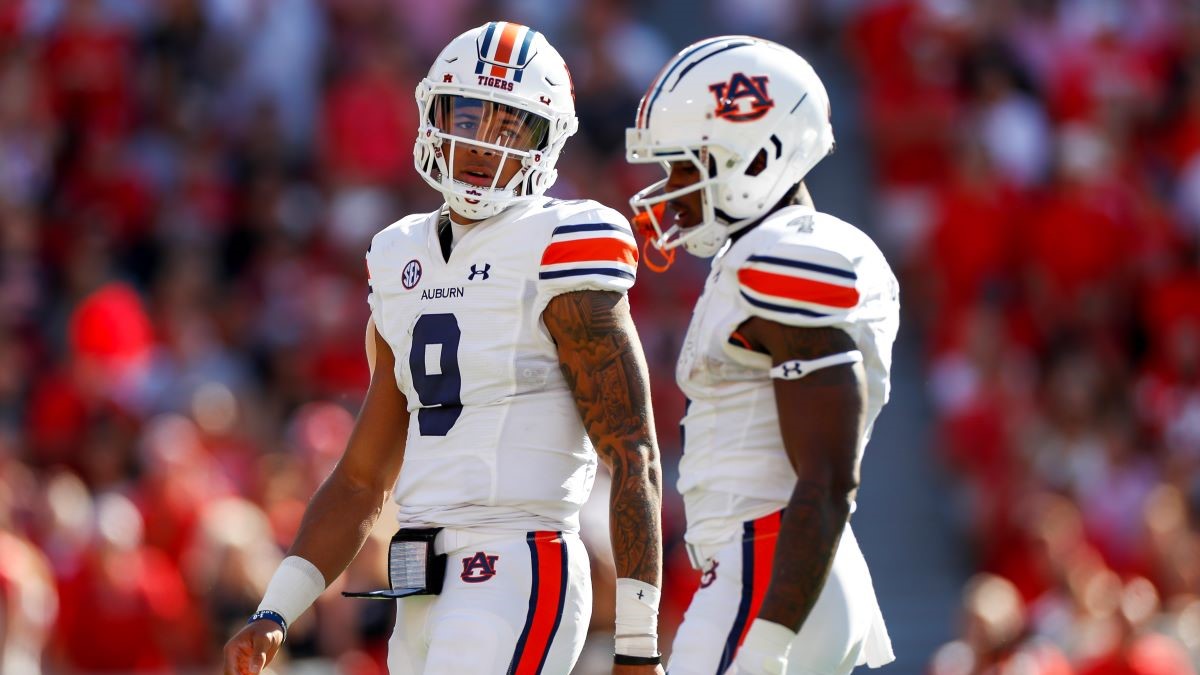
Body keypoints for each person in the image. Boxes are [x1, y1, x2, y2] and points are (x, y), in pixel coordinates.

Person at [224, 21, 665, 675]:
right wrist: (276, 610)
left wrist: (637, 644)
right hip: (419, 575)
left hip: (519, 558)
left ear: (547, 141)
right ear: (433, 115)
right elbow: (362, 477)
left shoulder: (563, 243)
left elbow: (633, 455)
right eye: (469, 115)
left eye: (511, 125)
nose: (484, 141)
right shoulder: (399, 255)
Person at [625, 36, 898, 674]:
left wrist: (770, 640)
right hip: (773, 564)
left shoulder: (787, 259)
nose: (671, 192)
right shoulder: (761, 253)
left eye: (685, 168)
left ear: (756, 156)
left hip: (770, 564)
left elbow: (827, 477)